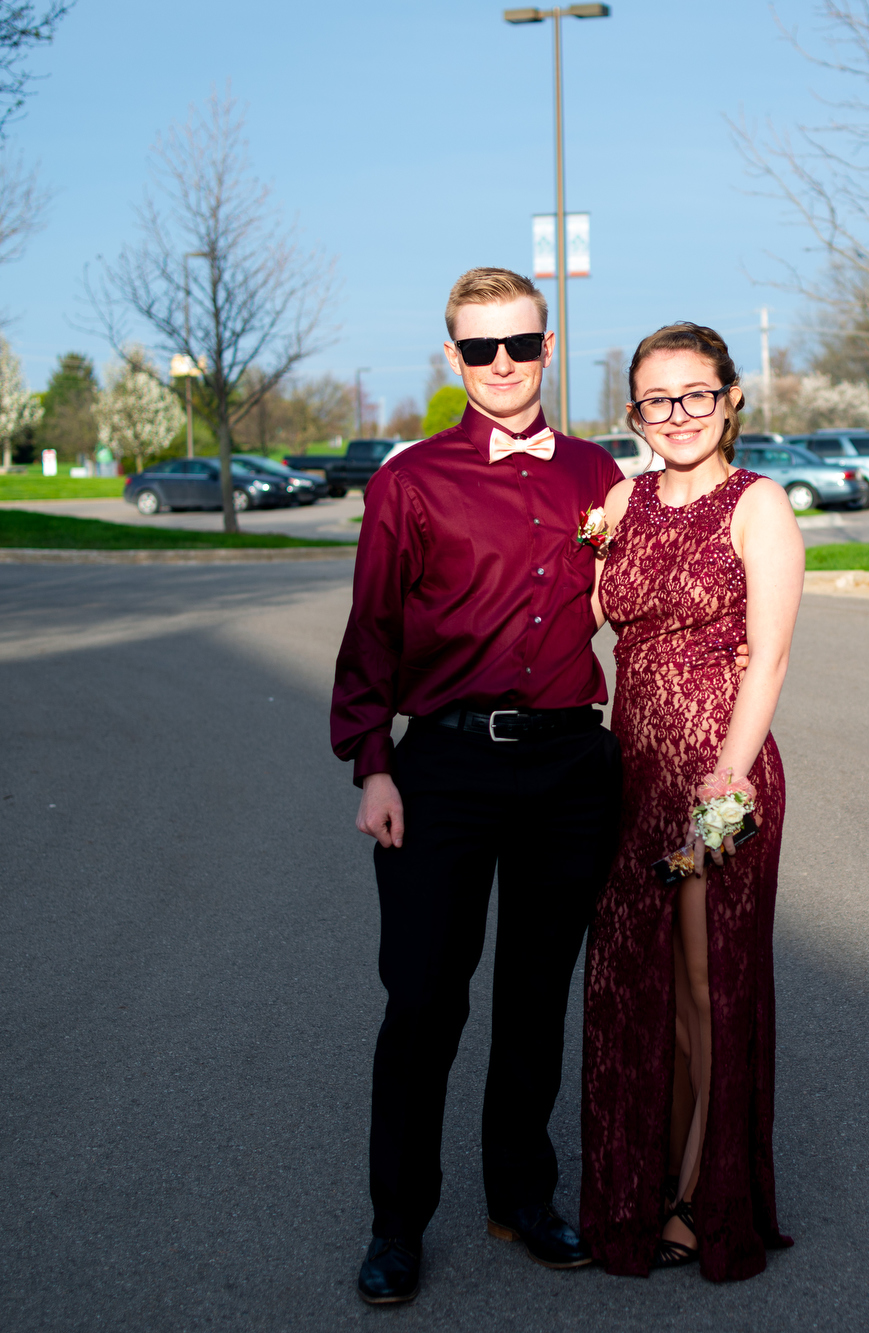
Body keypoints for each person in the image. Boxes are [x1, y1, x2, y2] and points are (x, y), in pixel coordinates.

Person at [331, 267, 623, 1305]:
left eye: (521, 345)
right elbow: (370, 631)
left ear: (547, 347)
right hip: (442, 767)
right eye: (480, 350)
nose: (502, 365)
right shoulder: (411, 481)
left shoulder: (597, 474)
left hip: (565, 769)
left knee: (536, 999)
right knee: (421, 1001)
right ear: (451, 358)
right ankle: (396, 1224)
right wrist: (372, 762)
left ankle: (523, 1196)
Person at [578, 322, 803, 1281]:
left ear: (731, 398)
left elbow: (772, 656)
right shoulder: (620, 502)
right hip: (633, 781)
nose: (677, 415)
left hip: (721, 783)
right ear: (634, 412)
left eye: (695, 395)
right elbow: (573, 618)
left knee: (712, 986)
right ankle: (652, 1181)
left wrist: (728, 779)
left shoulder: (759, 506)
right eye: (656, 400)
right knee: (652, 992)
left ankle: (701, 1201)